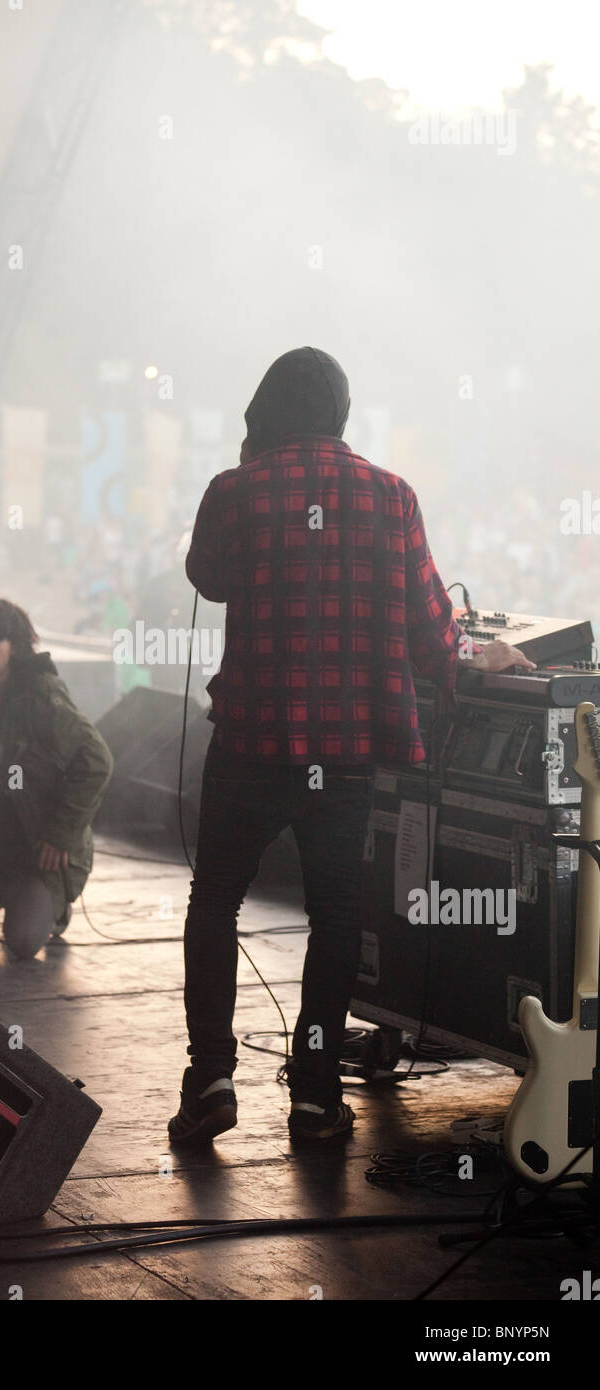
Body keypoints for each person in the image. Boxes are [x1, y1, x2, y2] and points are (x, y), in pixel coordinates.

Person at [168, 346, 535, 1145]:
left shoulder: (234, 491)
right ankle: (312, 1093)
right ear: (341, 413)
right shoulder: (391, 496)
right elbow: (437, 641)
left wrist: (243, 468)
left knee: (215, 903)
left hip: (250, 745)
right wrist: (488, 656)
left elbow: (208, 577)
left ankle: (210, 1081)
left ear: (263, 413)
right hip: (342, 752)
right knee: (335, 916)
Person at [0, 596, 114, 958]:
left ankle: (53, 908)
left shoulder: (41, 693)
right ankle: (1, 892)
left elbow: (96, 760)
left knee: (24, 943)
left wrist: (60, 836)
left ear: (14, 646)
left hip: (42, 839)